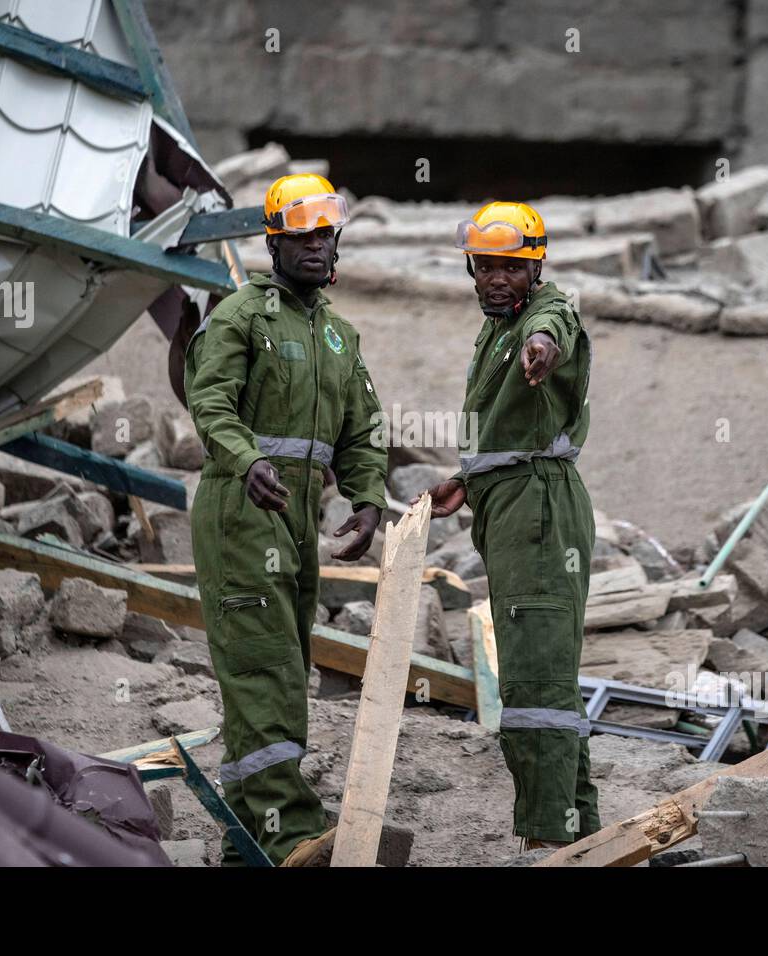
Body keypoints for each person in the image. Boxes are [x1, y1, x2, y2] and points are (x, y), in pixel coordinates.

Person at [183, 173, 386, 865]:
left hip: (297, 520)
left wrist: (367, 501)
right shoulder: (242, 315)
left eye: (323, 235)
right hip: (242, 512)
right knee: (261, 669)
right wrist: (245, 462)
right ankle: (289, 830)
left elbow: (361, 432)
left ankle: (251, 843)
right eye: (298, 236)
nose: (313, 248)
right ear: (273, 244)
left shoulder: (338, 336)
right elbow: (209, 401)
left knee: (283, 669)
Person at [419, 200, 600, 849]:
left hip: (540, 511)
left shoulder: (547, 317)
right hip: (508, 508)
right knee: (537, 677)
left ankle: (550, 838)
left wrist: (542, 347)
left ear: (536, 267)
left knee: (537, 685)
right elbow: (505, 429)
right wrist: (464, 483)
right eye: (486, 266)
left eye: (512, 267)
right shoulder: (492, 332)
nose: (498, 279)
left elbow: (552, 326)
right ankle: (576, 834)